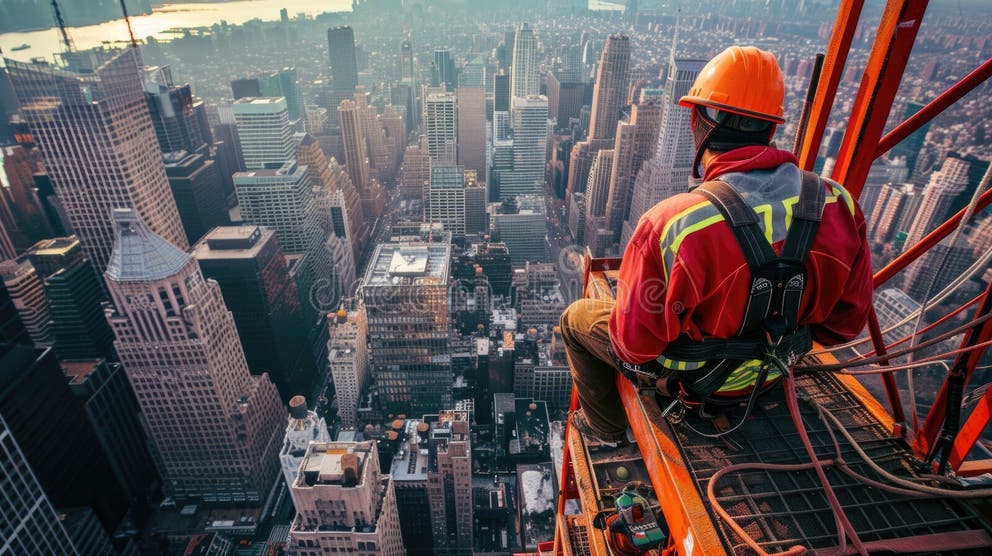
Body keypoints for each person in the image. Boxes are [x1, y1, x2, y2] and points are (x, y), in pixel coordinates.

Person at [561, 46, 873, 447]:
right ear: (771, 129)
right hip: (774, 373)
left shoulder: (671, 225)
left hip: (695, 385)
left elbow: (635, 347)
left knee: (576, 318)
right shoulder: (839, 205)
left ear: (698, 122)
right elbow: (845, 326)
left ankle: (604, 428)